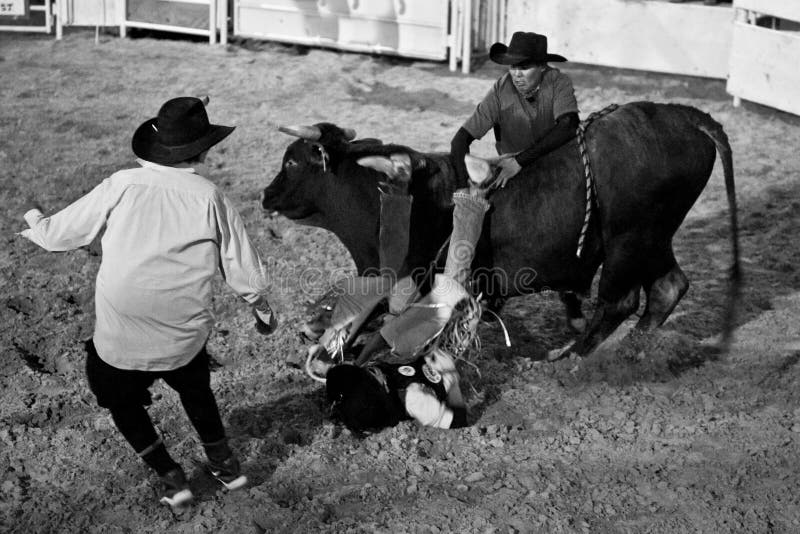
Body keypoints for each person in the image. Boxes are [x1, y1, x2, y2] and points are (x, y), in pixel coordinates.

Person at [17, 96, 277, 508]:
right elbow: (243, 265)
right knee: (194, 383)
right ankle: (226, 464)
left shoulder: (121, 183)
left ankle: (172, 477)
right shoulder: (211, 196)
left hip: (124, 331)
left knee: (113, 390)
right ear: (203, 149)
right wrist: (261, 309)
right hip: (184, 332)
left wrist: (35, 219)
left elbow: (59, 236)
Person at [320, 155, 495, 432]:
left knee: (390, 271)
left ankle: (399, 185)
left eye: (367, 371)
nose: (371, 370)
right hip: (446, 340)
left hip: (408, 334)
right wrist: (450, 377)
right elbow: (458, 421)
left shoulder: (380, 379)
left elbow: (382, 340)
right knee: (454, 278)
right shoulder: (415, 400)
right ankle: (478, 192)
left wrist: (363, 357)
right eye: (368, 373)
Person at [450, 31, 580, 189]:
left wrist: (520, 161)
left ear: (541, 67)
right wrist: (463, 188)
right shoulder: (500, 90)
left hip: (554, 165)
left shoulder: (558, 82)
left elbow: (568, 125)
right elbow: (460, 140)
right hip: (511, 173)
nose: (517, 74)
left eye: (524, 67)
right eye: (513, 66)